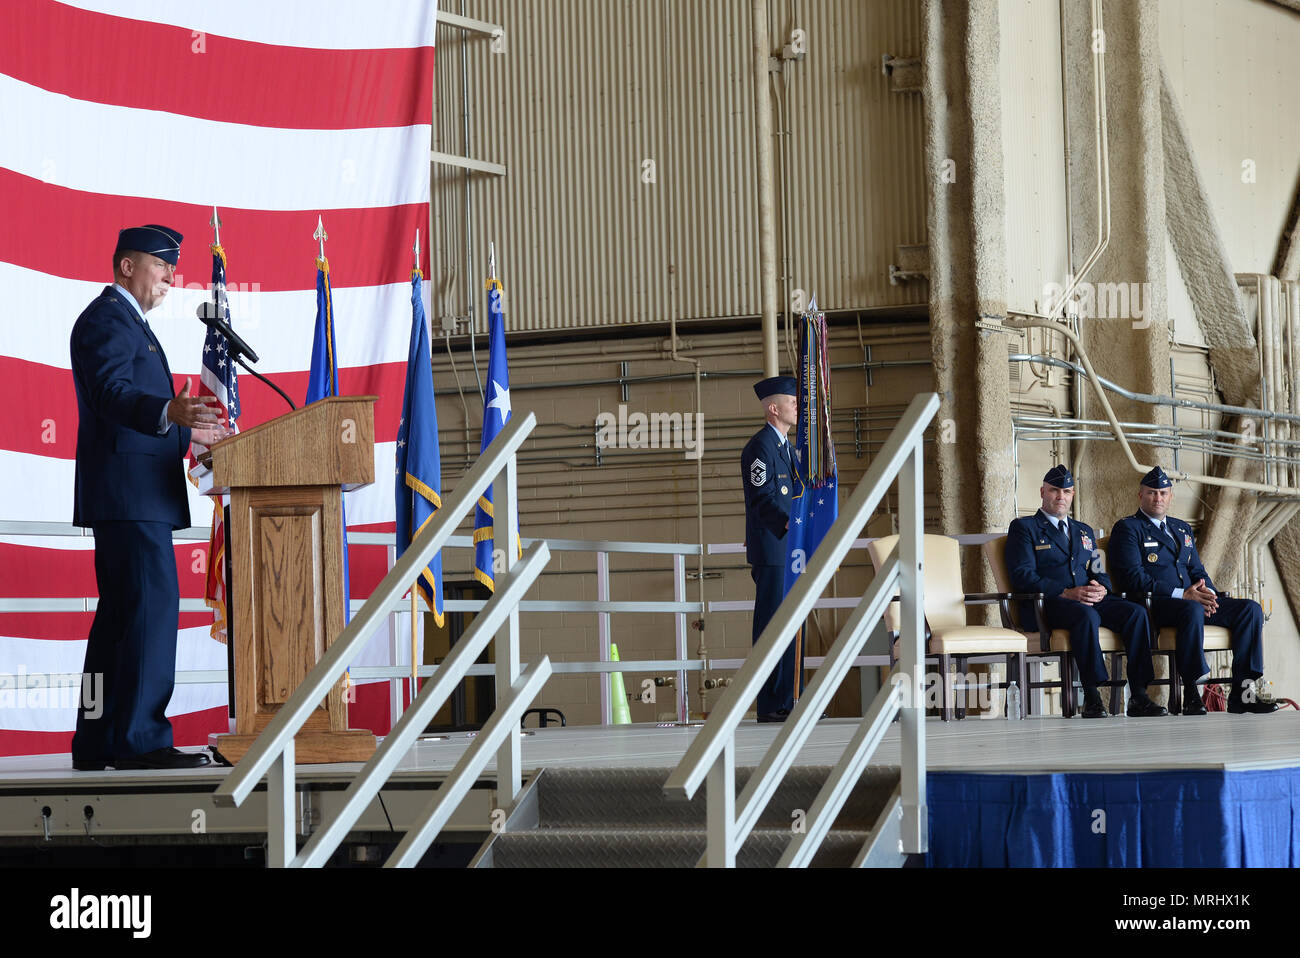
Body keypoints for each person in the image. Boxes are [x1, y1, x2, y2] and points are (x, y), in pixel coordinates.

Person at [69, 225, 232, 771]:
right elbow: (113, 394)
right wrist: (169, 412)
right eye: (161, 265)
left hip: (135, 495)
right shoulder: (105, 321)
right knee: (150, 612)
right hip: (129, 495)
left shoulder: (131, 324)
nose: (170, 277)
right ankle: (139, 742)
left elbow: (147, 414)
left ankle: (97, 741)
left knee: (119, 618)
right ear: (125, 267)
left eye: (172, 267)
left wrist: (192, 433)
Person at [1108, 466, 1278, 715]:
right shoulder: (1128, 528)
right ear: (1140, 495)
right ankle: (1191, 692)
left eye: (1163, 493)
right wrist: (1182, 593)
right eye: (1152, 493)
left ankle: (1244, 693)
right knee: (1191, 609)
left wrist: (1208, 592)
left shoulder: (1181, 528)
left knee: (1250, 610)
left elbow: (1197, 570)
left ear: (1170, 497)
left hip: (1192, 600)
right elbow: (1132, 578)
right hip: (1155, 604)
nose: (1158, 498)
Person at [1006, 465, 1167, 719]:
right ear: (1042, 492)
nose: (1061, 496)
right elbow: (1022, 575)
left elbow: (1098, 568)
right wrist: (1066, 592)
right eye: (1054, 490)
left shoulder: (1084, 531)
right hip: (1049, 605)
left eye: (1067, 491)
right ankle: (1092, 697)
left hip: (1088, 600)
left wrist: (1102, 587)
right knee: (1086, 616)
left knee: (1135, 614)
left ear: (1072, 495)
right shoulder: (1024, 527)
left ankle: (1139, 695)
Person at [741, 376, 804, 723]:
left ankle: (791, 697)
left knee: (792, 624)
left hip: (790, 550)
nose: (797, 407)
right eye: (792, 402)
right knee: (772, 626)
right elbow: (763, 500)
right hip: (774, 549)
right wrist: (792, 527)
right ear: (773, 408)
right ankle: (771, 703)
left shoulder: (785, 449)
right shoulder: (760, 448)